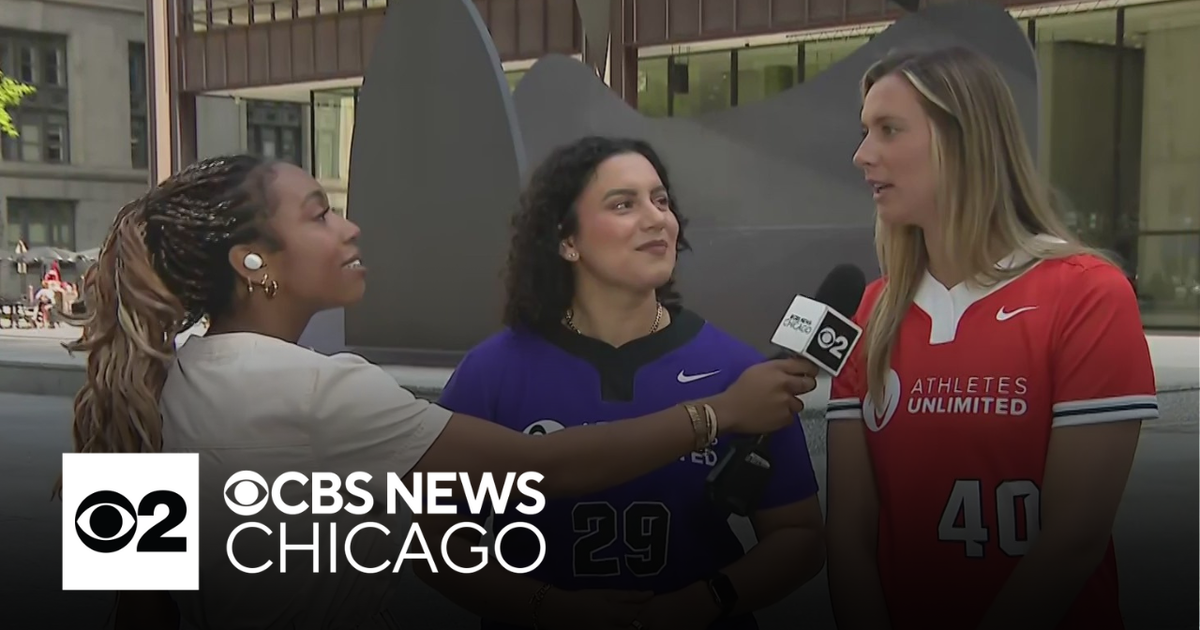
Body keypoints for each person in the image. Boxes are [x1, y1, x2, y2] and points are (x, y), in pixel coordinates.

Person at [58, 154, 822, 630]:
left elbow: (139, 608)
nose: (351, 228)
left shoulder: (151, 382)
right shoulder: (322, 391)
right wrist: (719, 415)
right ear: (254, 263)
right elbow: (544, 469)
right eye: (321, 214)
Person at [419, 136, 826, 630]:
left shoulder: (736, 372)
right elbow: (434, 542)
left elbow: (799, 536)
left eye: (661, 200)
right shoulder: (492, 372)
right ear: (567, 240)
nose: (657, 218)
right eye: (623, 204)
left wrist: (703, 601)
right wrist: (546, 606)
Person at [825, 47, 1158, 630]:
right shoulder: (874, 310)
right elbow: (850, 534)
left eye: (889, 130)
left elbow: (1073, 540)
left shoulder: (1087, 295)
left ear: (964, 139)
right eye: (864, 131)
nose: (862, 155)